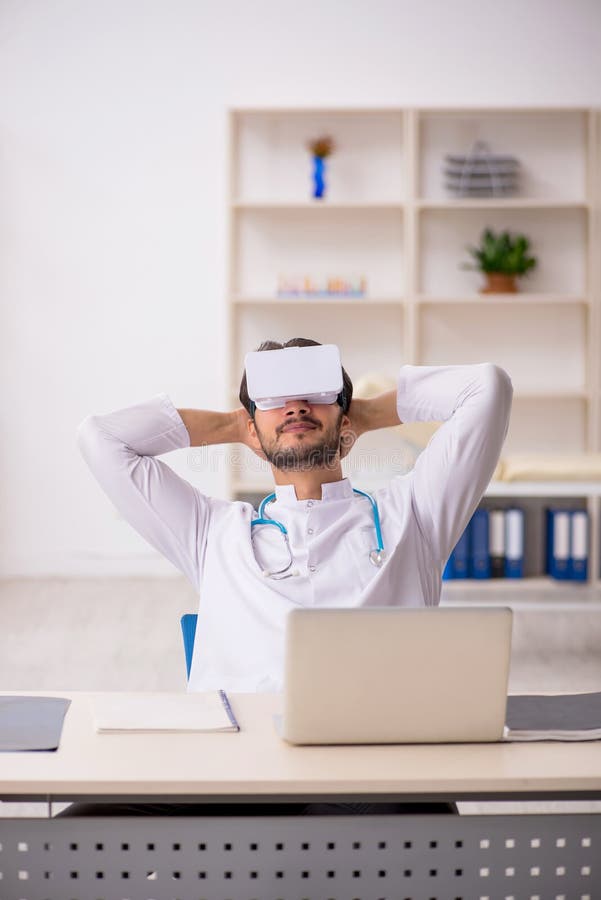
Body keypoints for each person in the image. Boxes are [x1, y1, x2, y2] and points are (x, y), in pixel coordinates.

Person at [61, 337, 512, 817]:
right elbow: (101, 439)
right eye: (274, 398)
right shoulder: (212, 531)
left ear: (346, 419)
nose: (295, 406)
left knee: (413, 819)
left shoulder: (415, 515)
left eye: (314, 392)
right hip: (226, 772)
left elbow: (486, 388)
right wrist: (238, 424)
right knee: (80, 828)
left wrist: (364, 414)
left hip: (366, 769)